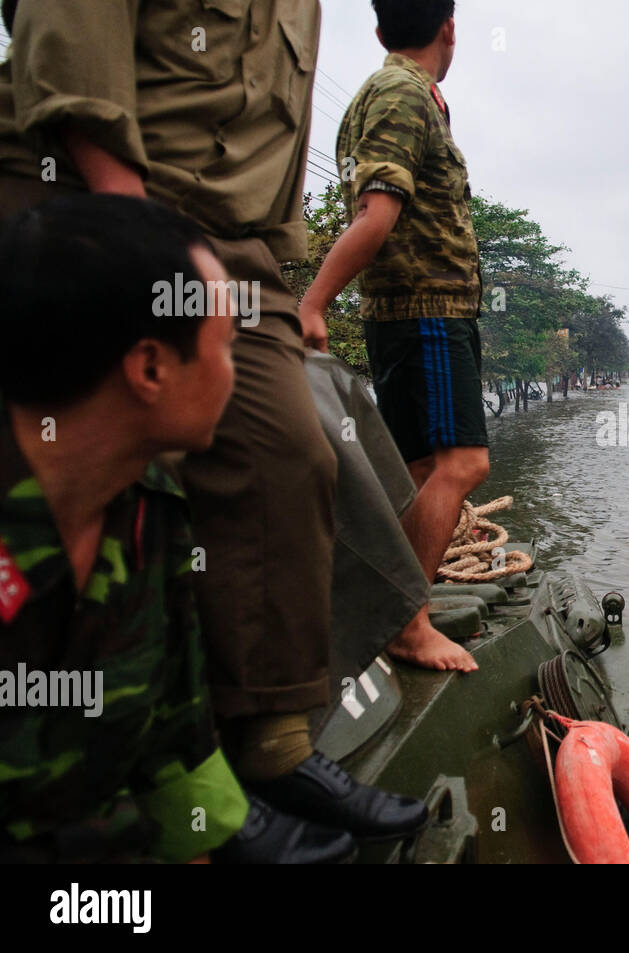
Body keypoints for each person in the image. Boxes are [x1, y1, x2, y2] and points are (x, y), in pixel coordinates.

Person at [0, 1, 430, 844]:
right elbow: (72, 51)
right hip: (83, 180)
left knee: (285, 453)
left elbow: (273, 149)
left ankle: (263, 744)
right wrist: (140, 248)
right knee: (93, 473)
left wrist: (278, 290)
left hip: (237, 247)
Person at [0, 195, 352, 863]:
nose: (237, 371)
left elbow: (173, 739)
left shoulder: (149, 509)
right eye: (226, 345)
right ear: (151, 368)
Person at [300, 0, 484, 670]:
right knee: (463, 464)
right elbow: (378, 215)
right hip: (425, 311)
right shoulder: (402, 95)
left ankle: (397, 613)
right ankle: (406, 623)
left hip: (419, 312)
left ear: (380, 31)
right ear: (449, 30)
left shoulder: (394, 95)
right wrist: (314, 301)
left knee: (418, 472)